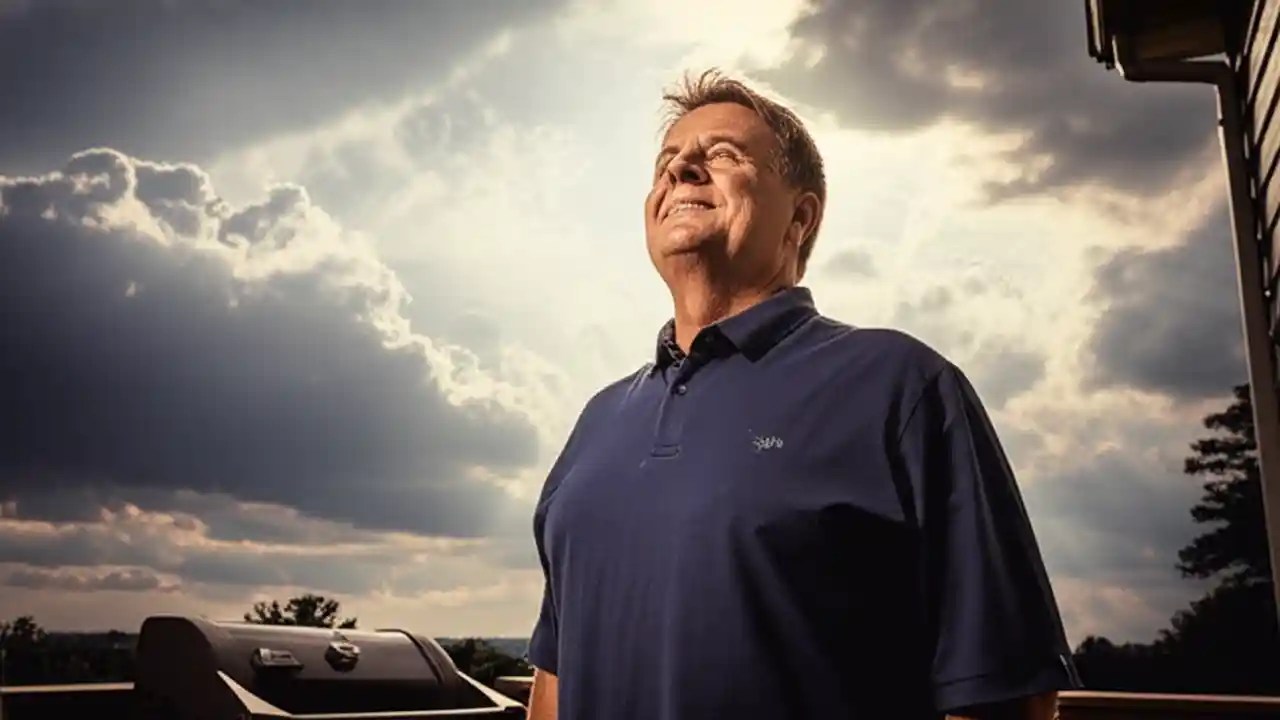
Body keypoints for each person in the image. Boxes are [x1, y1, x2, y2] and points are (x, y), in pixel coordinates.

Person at [523, 69, 1080, 720]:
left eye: (721, 155)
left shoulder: (902, 387)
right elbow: (554, 684)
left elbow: (1005, 695)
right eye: (667, 163)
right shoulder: (598, 421)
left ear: (800, 216)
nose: (682, 171)